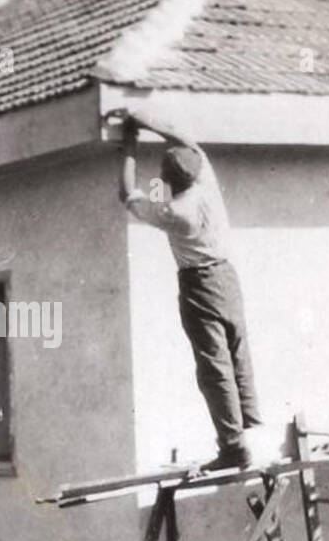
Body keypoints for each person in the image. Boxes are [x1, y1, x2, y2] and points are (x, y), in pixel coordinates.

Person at [107, 105, 260, 471]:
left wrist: (128, 143)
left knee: (213, 365)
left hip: (199, 284)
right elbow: (180, 134)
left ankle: (234, 446)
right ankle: (252, 425)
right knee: (237, 351)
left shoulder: (174, 213)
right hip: (227, 276)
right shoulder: (206, 179)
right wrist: (141, 118)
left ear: (170, 183)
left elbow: (125, 192)